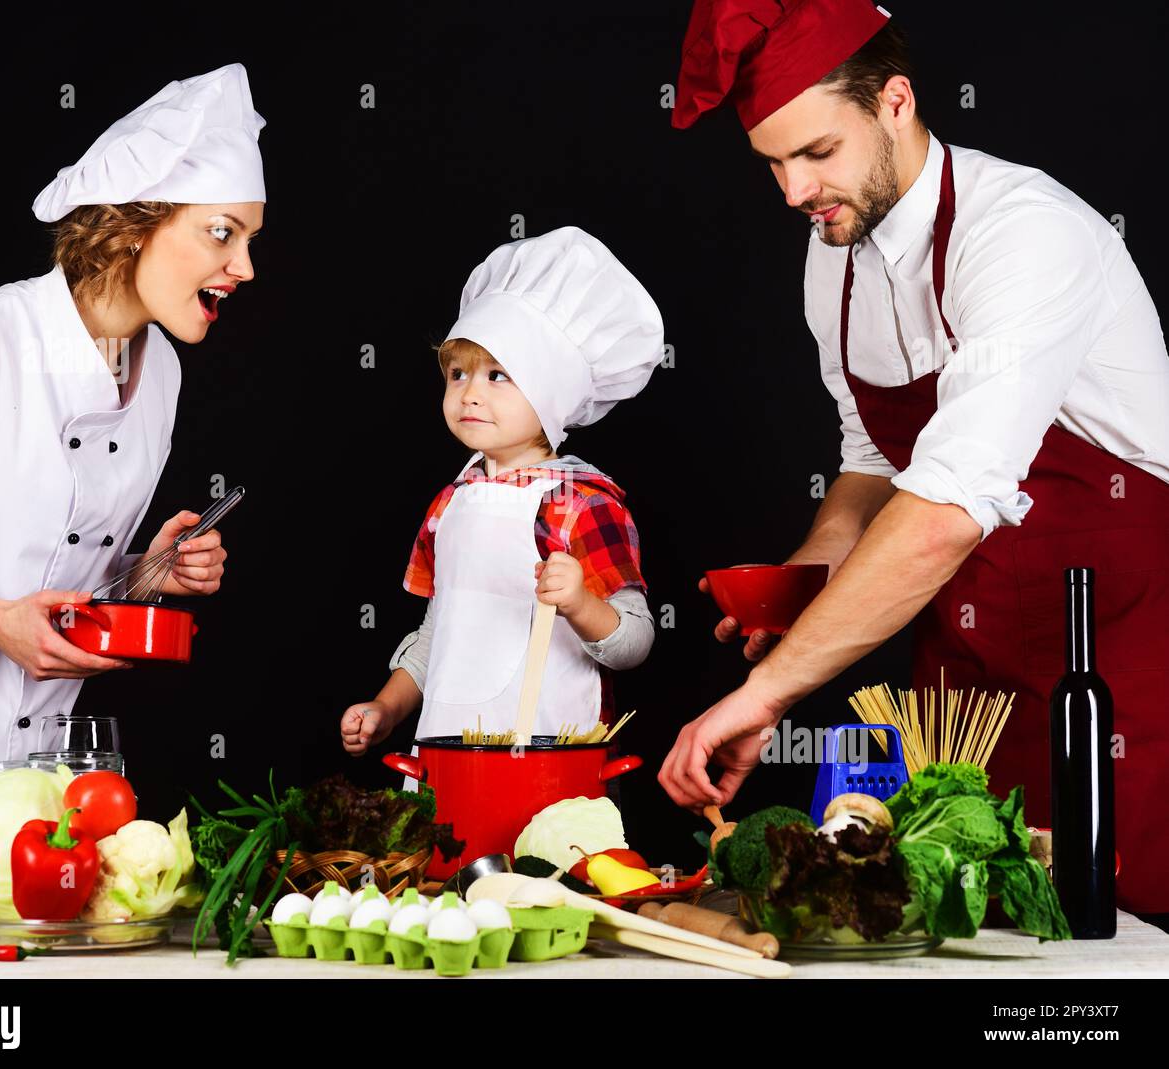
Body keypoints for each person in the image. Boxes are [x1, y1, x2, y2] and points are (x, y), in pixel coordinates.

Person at [660, 0, 1169, 917]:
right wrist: (806, 587)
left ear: (896, 101)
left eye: (816, 153)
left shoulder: (1022, 234)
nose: (792, 192)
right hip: (963, 685)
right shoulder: (835, 254)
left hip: (1120, 675)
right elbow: (872, 465)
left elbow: (943, 507)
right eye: (772, 163)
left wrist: (767, 693)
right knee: (968, 933)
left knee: (1110, 948)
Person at [0, 62, 263, 963]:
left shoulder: (157, 368)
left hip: (60, 822)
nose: (244, 266)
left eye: (247, 239)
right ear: (132, 224)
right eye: (222, 233)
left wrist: (143, 577)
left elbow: (58, 575)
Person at [341, 226, 663, 774]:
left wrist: (583, 605)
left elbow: (635, 643)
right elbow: (437, 636)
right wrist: (387, 708)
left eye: (498, 376)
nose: (469, 392)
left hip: (551, 764)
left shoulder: (584, 504)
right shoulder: (453, 502)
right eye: (458, 373)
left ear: (551, 394)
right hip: (447, 761)